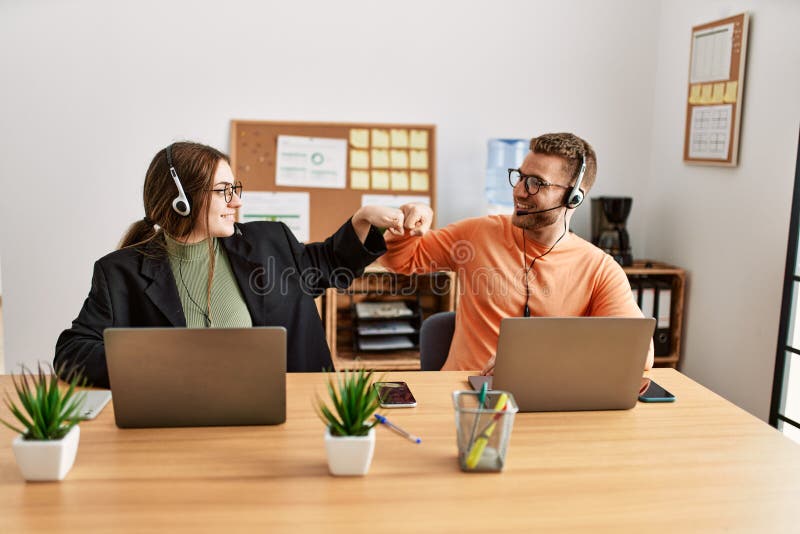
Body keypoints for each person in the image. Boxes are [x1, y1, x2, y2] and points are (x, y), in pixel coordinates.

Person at [55, 141, 404, 387]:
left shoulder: (270, 243)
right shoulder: (120, 273)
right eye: (223, 190)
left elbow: (330, 262)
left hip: (287, 419)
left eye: (234, 188)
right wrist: (153, 362)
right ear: (182, 200)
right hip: (180, 427)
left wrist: (362, 219)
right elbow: (72, 353)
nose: (237, 201)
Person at [379, 132, 654, 374]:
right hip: (462, 394)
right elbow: (399, 260)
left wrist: (543, 360)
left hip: (543, 401)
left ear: (574, 197)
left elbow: (638, 355)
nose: (519, 191)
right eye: (520, 177)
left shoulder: (599, 269)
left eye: (536, 183)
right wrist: (407, 219)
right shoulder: (478, 233)